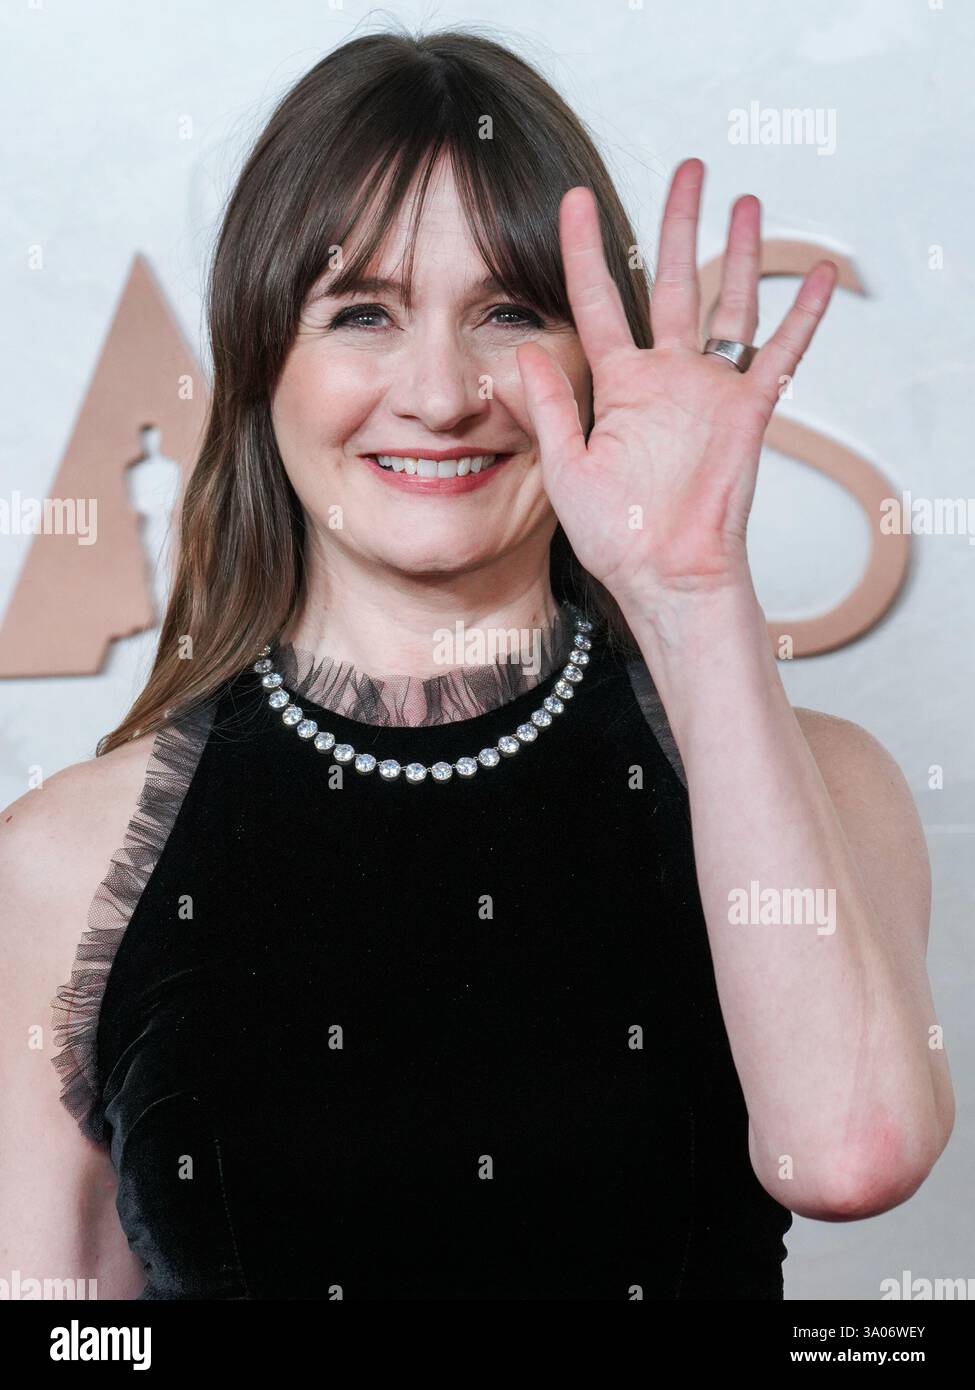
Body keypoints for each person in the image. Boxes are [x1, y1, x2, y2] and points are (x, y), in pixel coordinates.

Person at [0, 26, 954, 1301]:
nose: (442, 394)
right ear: (258, 365)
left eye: (509, 312)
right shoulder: (69, 863)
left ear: (593, 363)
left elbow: (850, 1155)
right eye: (362, 314)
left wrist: (691, 595)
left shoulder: (827, 788)